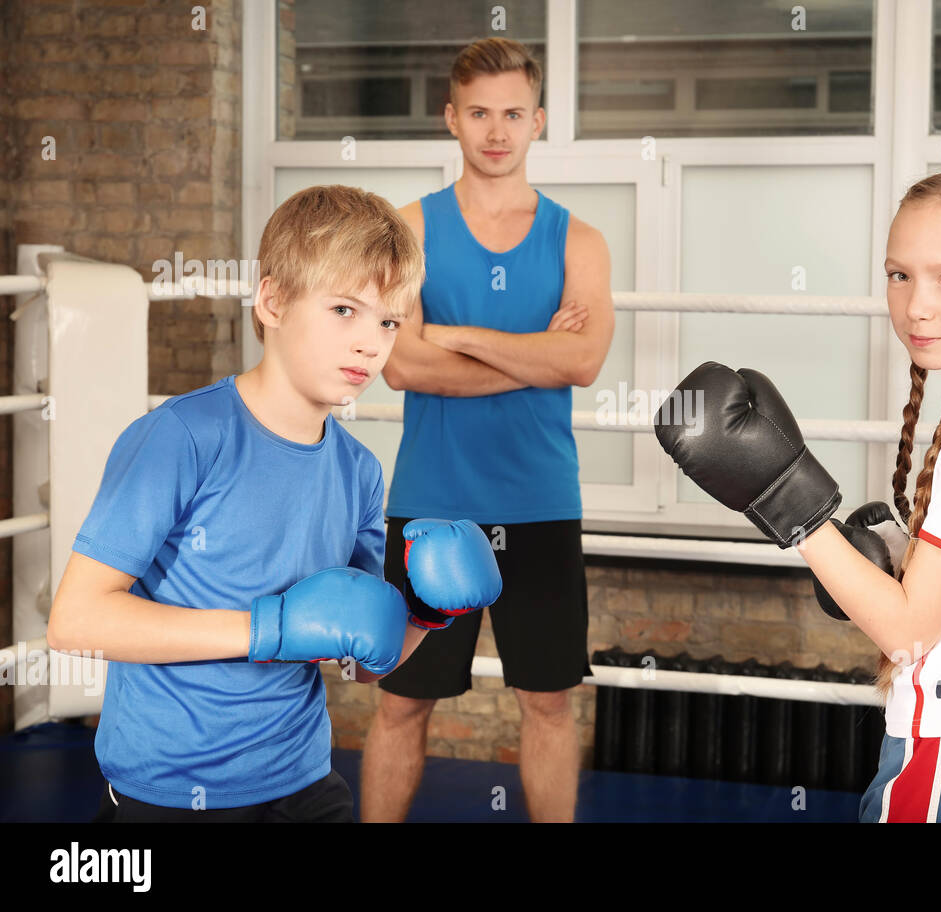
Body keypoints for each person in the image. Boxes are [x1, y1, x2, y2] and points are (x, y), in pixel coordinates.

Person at [654, 167, 941, 823]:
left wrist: (785, 501)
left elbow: (907, 628)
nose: (917, 305)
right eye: (899, 273)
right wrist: (889, 550)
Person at [46, 184, 484, 821]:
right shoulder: (183, 437)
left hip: (304, 780)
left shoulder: (360, 470)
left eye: (389, 321)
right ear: (274, 300)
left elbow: (361, 661)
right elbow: (76, 621)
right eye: (344, 310)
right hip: (171, 792)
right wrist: (268, 628)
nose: (371, 344)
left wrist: (423, 612)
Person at [361, 37, 614, 824]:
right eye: (479, 113)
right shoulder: (409, 227)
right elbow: (402, 367)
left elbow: (583, 362)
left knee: (546, 704)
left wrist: (456, 334)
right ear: (452, 119)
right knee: (403, 705)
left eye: (512, 114)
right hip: (433, 501)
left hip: (539, 502)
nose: (496, 131)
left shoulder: (580, 240)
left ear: (538, 121)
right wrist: (535, 351)